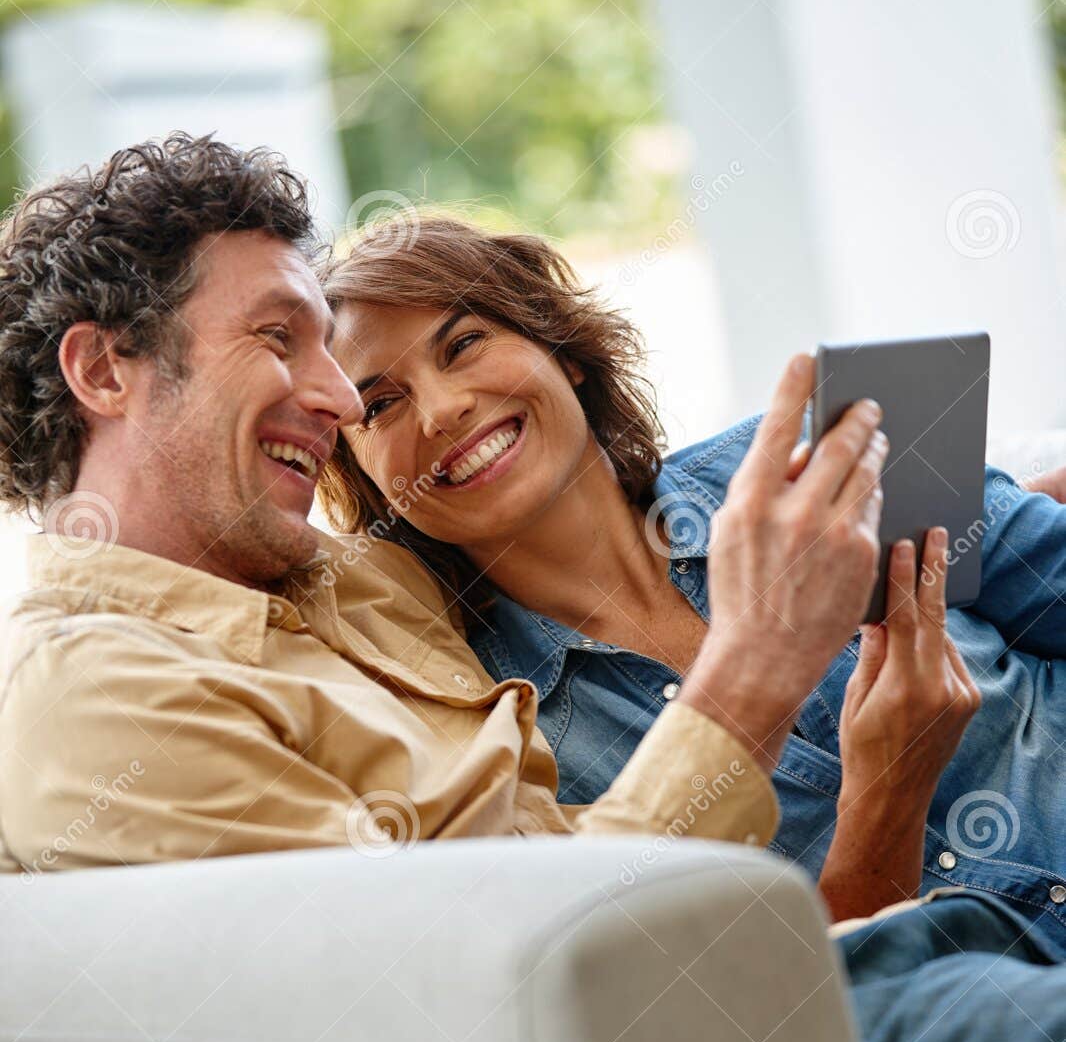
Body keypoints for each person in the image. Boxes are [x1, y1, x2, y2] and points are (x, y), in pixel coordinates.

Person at [0, 133, 884, 881]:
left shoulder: (351, 579)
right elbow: (534, 977)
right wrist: (759, 663)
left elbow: (571, 501)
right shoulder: (100, 703)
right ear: (105, 370)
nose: (343, 405)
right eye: (276, 338)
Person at [320, 215, 1066, 944]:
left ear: (562, 350)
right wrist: (887, 798)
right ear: (365, 478)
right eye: (380, 405)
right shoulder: (515, 754)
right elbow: (774, 1014)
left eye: (465, 343)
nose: (444, 409)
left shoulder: (801, 465)